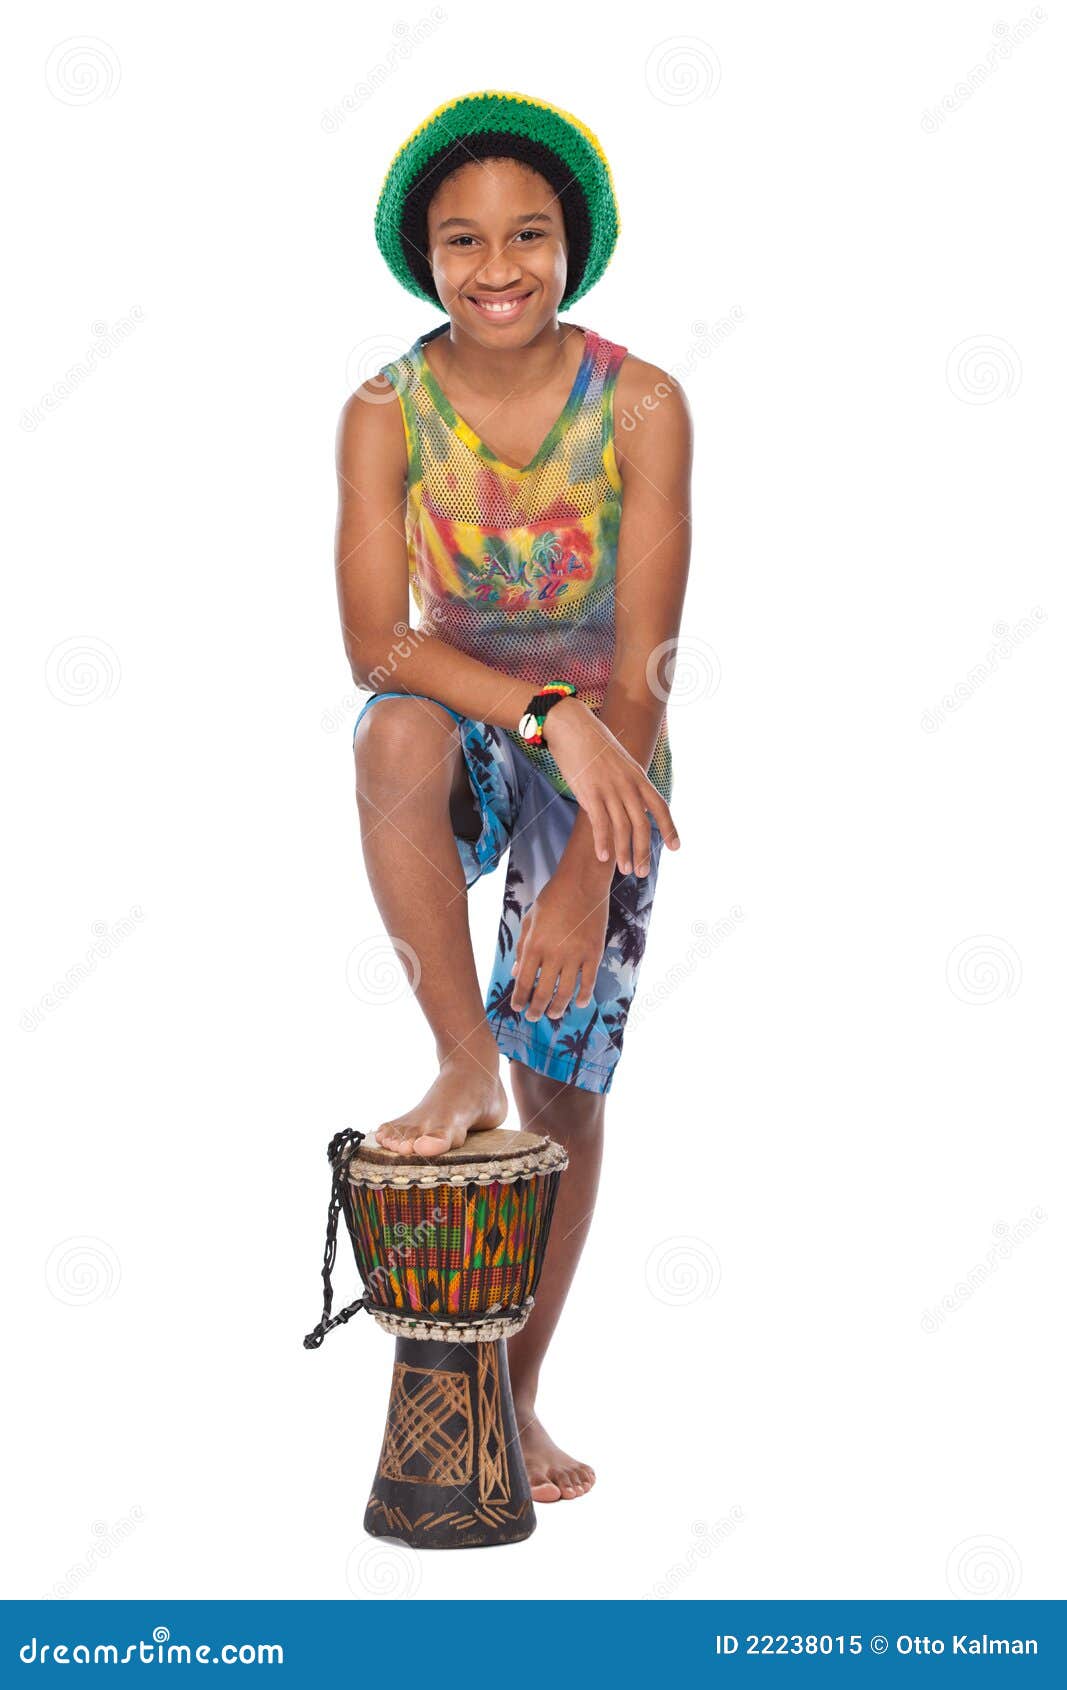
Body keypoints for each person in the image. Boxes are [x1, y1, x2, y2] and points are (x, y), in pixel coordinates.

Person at [335, 90, 692, 1503]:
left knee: (566, 1095)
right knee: (391, 735)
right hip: (483, 729)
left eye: (528, 234)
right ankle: (456, 1053)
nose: (498, 267)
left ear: (572, 245)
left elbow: (647, 661)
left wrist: (591, 867)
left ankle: (519, 1390)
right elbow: (381, 646)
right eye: (464, 239)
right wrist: (546, 714)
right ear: (424, 255)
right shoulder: (387, 411)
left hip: (615, 757)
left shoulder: (642, 404)